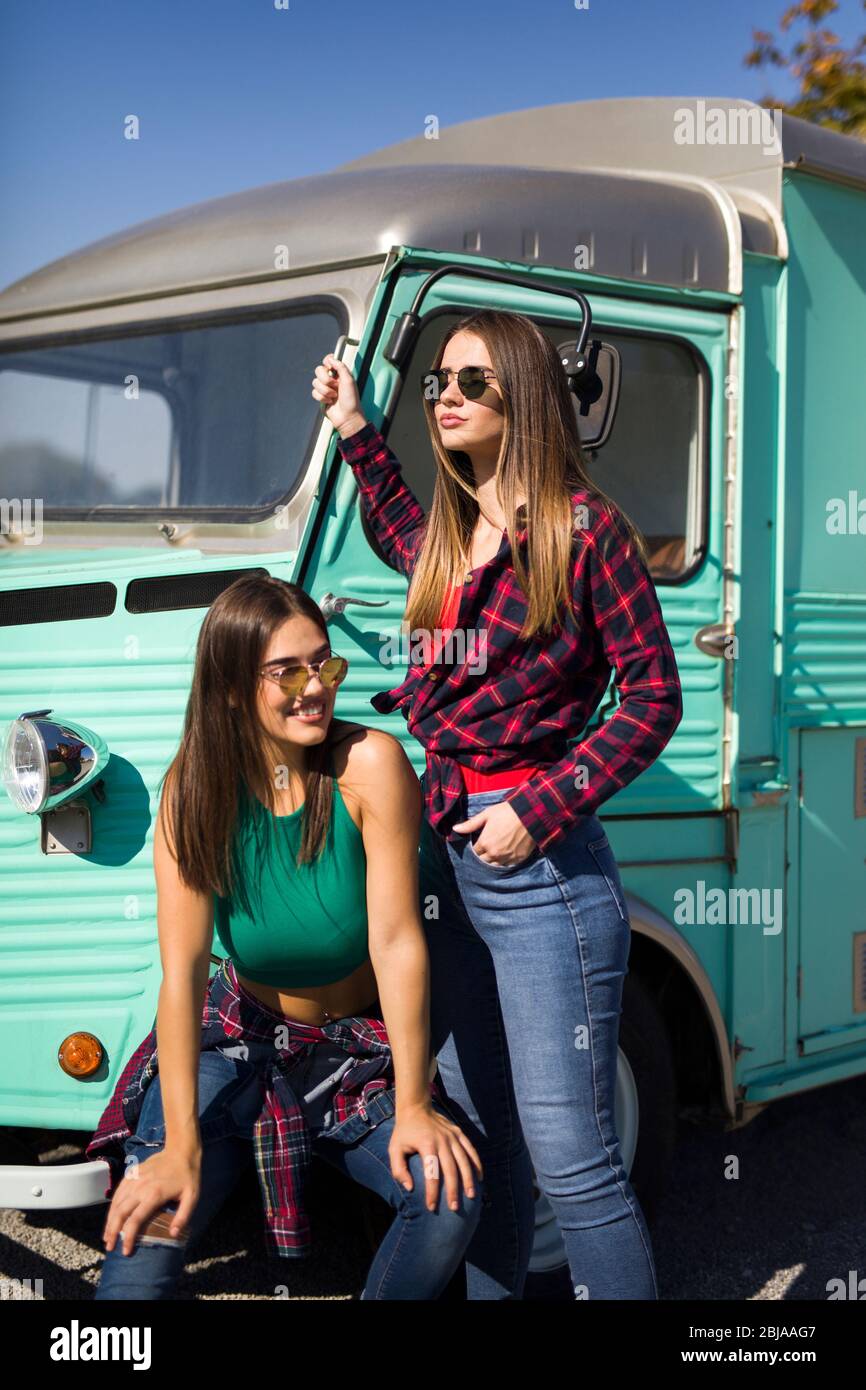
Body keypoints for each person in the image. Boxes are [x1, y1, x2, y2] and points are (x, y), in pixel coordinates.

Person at [313, 309, 683, 1299]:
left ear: (519, 397)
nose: (444, 395)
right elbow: (393, 523)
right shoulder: (448, 536)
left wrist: (541, 808)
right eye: (438, 379)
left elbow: (653, 696)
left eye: (471, 381)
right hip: (448, 869)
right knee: (488, 1150)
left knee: (573, 1162)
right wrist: (355, 425)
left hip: (545, 882)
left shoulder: (584, 530)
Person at [86, 575, 483, 1299]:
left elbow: (396, 941)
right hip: (239, 1038)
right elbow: (181, 974)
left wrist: (417, 1105)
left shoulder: (369, 765)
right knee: (140, 1249)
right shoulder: (194, 789)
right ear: (234, 688)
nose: (316, 687)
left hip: (354, 1054)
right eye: (287, 672)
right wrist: (177, 1145)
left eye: (325, 663)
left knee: (445, 1197)